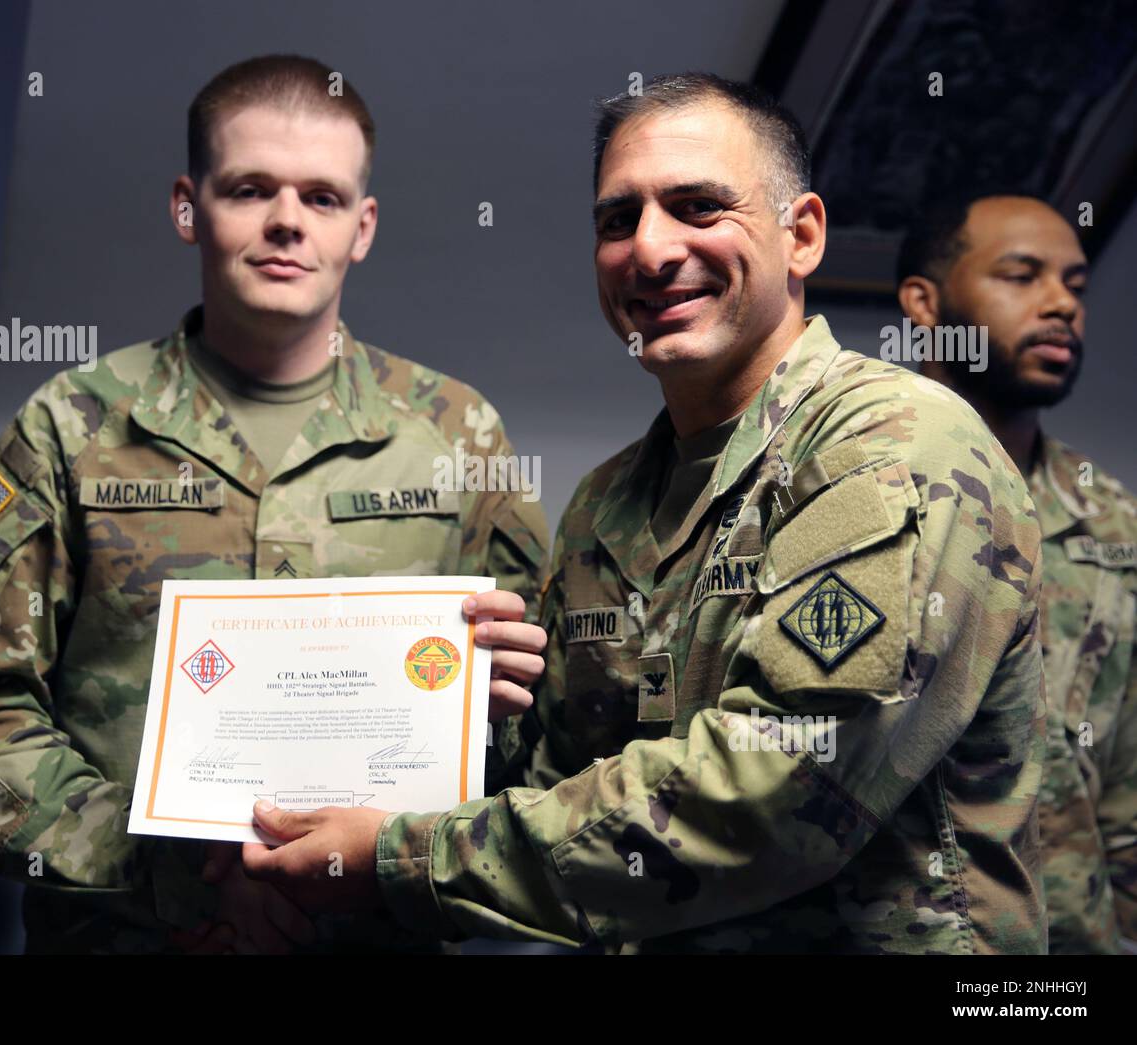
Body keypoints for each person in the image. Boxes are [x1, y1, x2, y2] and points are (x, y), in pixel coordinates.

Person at [233, 72, 1049, 954]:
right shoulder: (606, 503)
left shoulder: (894, 445)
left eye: (699, 207)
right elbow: (563, 778)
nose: (651, 250)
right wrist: (471, 717)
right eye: (619, 220)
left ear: (803, 234)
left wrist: (404, 856)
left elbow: (776, 793)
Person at [0, 54, 548, 954]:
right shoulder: (70, 424)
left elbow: (540, 741)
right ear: (187, 207)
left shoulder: (458, 434)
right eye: (250, 189)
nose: (287, 220)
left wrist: (502, 715)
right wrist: (171, 875)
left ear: (361, 227)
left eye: (322, 197)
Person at [896, 191, 1137, 953]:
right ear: (925, 304)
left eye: (1075, 284)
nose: (1062, 303)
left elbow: (1126, 789)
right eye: (1022, 275)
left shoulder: (1111, 521)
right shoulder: (855, 483)